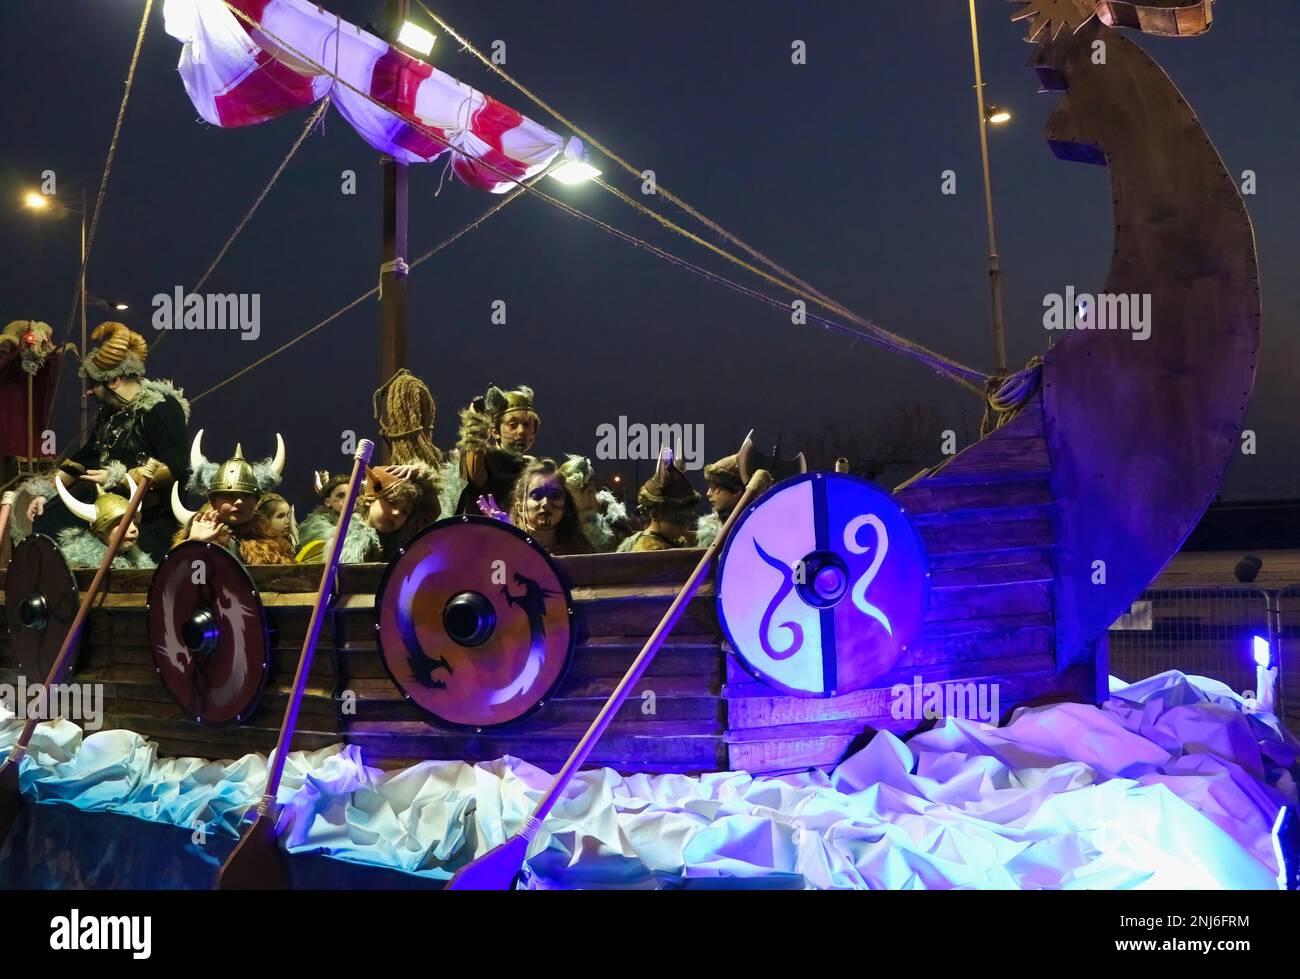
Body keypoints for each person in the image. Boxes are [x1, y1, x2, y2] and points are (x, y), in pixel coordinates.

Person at [23, 322, 189, 562]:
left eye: (93, 384)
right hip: (111, 517)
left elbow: (176, 468)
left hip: (152, 521)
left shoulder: (161, 408)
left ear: (113, 381)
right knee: (49, 521)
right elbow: (86, 456)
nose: (89, 392)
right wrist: (48, 492)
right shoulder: (111, 413)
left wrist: (120, 477)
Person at [171, 431, 292, 565]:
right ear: (213, 501)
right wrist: (194, 543)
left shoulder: (273, 546)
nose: (239, 502)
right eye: (230, 495)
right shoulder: (194, 535)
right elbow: (174, 575)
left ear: (256, 502)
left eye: (247, 496)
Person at [316, 463, 441, 564]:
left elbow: (432, 511)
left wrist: (421, 476)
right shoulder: (343, 537)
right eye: (391, 503)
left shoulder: (402, 538)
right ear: (370, 500)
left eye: (404, 511)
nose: (397, 513)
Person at [452, 384, 539, 516]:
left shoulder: (534, 467)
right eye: (513, 425)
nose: (521, 431)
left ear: (534, 431)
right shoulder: (489, 462)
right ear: (495, 431)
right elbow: (474, 471)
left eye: (527, 424)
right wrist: (476, 421)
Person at [479, 457, 593, 555]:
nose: (546, 503)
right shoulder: (503, 547)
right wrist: (508, 536)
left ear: (566, 507)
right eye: (536, 495)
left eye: (555, 495)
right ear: (520, 508)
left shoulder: (582, 550)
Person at [52, 473, 154, 570]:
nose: (133, 529)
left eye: (134, 523)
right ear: (99, 531)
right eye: (120, 523)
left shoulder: (141, 564)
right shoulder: (80, 565)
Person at [617, 448, 701, 552]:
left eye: (687, 519)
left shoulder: (670, 541)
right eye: (679, 519)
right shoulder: (648, 551)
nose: (685, 526)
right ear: (655, 515)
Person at [558, 453, 630, 552]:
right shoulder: (560, 530)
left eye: (593, 490)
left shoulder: (616, 522)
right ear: (570, 495)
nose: (594, 498)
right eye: (588, 492)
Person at [296, 470, 350, 558]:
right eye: (340, 496)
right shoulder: (316, 529)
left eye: (352, 495)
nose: (348, 499)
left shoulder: (363, 522)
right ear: (328, 502)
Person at [695, 453, 744, 549]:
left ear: (736, 490)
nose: (708, 493)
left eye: (715, 488)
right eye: (709, 488)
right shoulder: (709, 531)